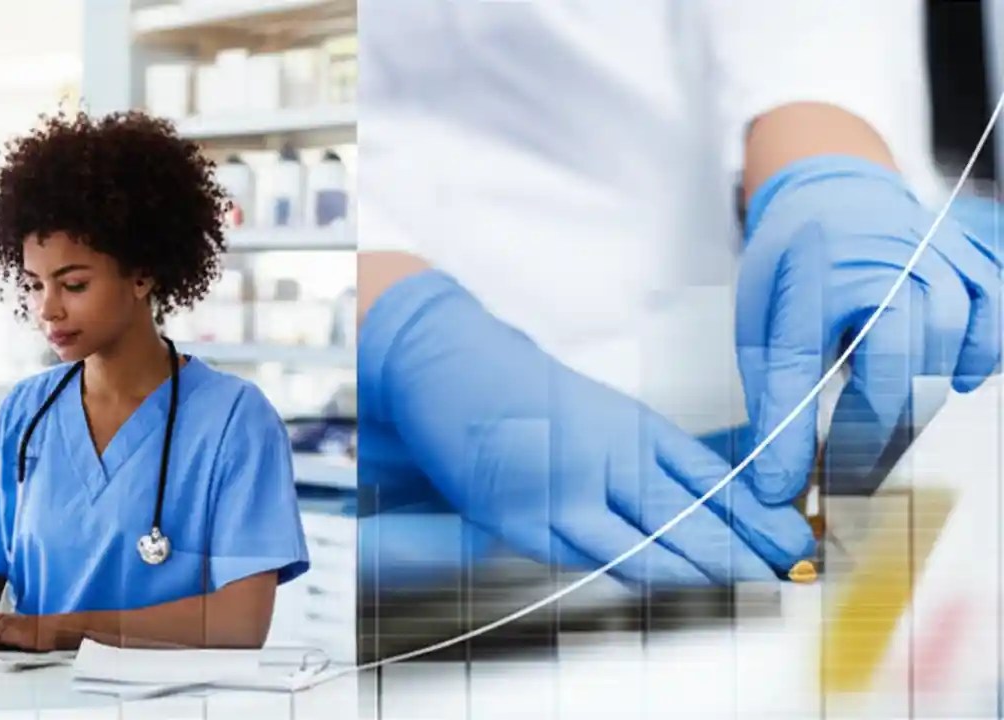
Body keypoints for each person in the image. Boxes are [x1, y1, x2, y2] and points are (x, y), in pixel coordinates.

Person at [356, 1, 1001, 585]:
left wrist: (826, 161)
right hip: (377, 434)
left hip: (707, 367)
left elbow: (807, 28)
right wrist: (395, 326)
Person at [0, 112, 309, 652]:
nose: (48, 309)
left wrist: (55, 630)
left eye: (74, 284)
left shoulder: (233, 420)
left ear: (142, 273)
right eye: (34, 284)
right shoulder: (27, 411)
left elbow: (240, 623)